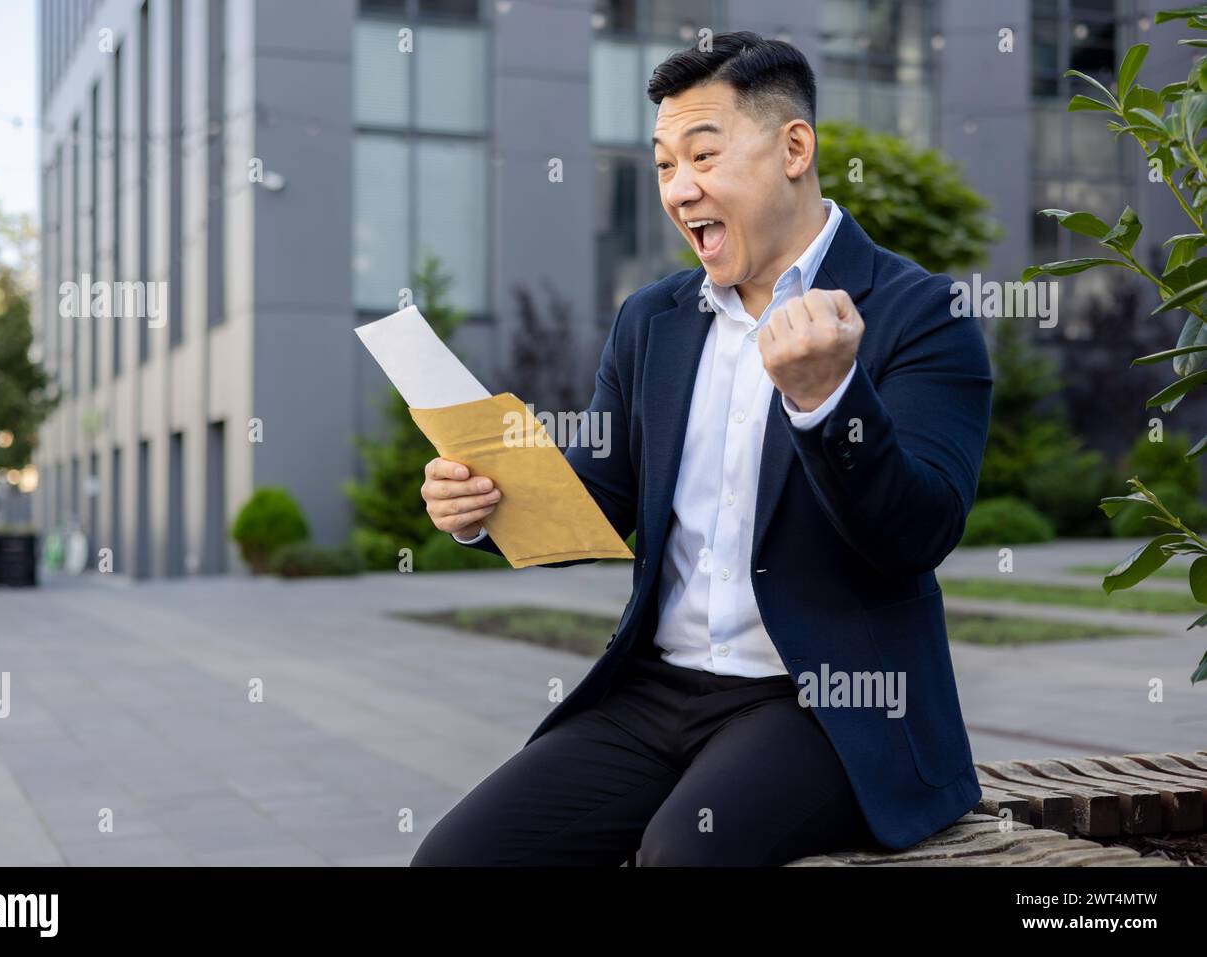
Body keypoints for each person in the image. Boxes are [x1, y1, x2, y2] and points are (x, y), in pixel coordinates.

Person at [411, 32, 992, 867]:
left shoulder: (922, 313)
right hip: (655, 691)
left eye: (704, 155)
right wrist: (484, 504)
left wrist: (827, 399)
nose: (681, 190)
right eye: (662, 165)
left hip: (826, 701)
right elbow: (602, 499)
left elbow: (918, 532)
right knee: (459, 857)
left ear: (795, 148)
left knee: (684, 855)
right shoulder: (653, 318)